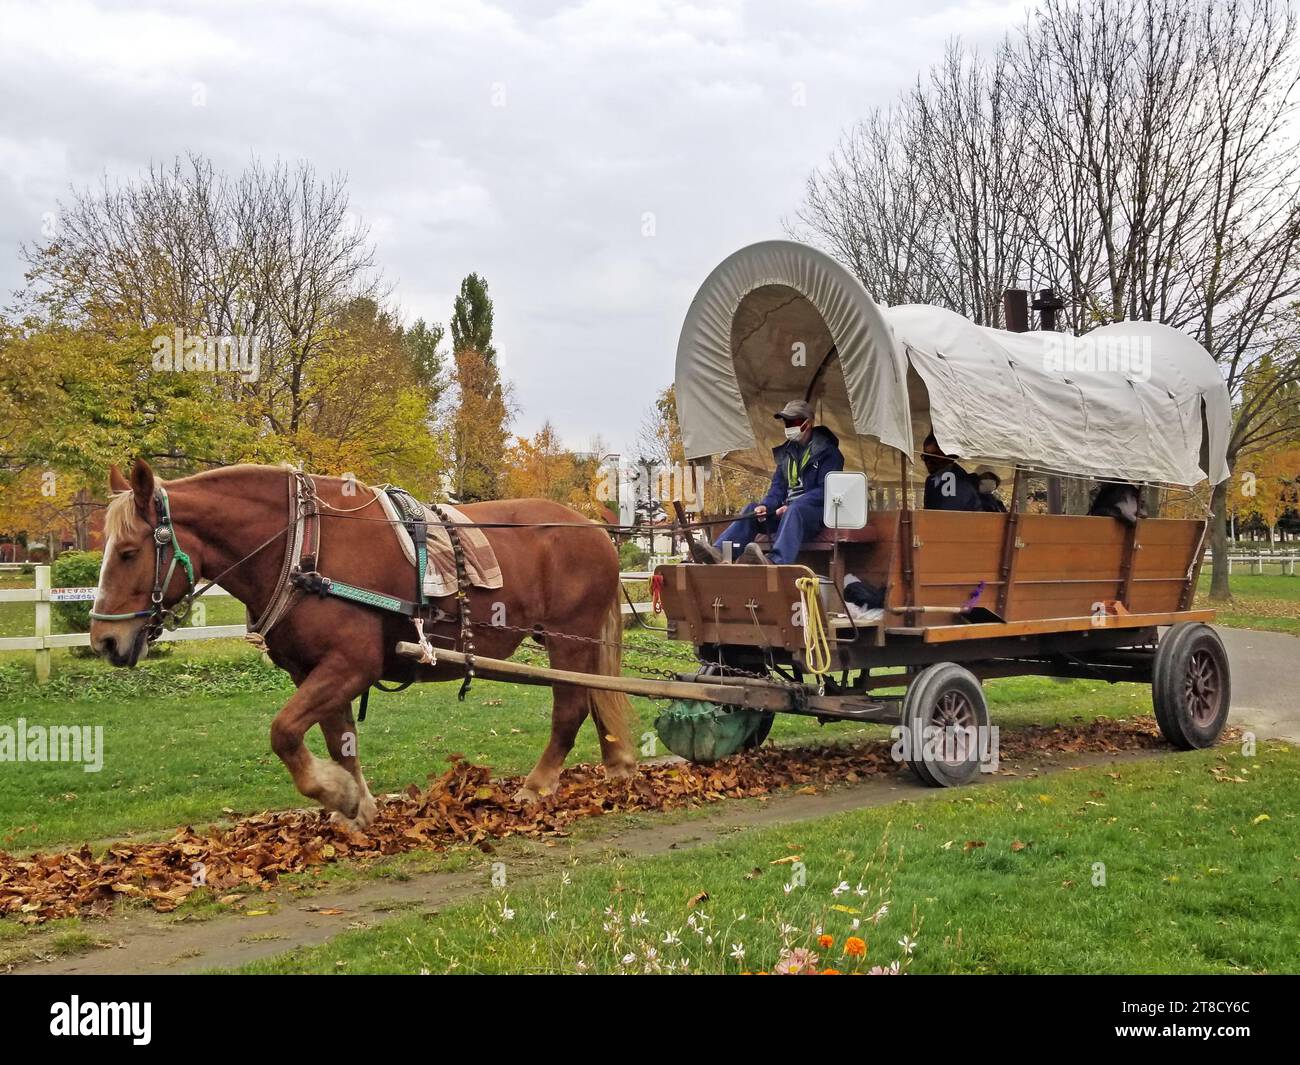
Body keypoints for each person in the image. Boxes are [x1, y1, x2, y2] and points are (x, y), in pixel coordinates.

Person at [690, 399, 844, 565]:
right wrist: (766, 506)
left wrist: (793, 506)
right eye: (787, 422)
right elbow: (777, 490)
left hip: (813, 516)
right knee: (752, 509)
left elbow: (826, 491)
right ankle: (719, 553)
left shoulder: (829, 453)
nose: (789, 426)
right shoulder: (786, 454)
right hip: (787, 513)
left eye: (795, 421)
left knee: (795, 510)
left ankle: (775, 561)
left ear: (809, 423)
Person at [921, 432, 984, 511]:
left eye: (935, 457)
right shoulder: (931, 480)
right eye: (926, 457)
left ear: (949, 456)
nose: (929, 462)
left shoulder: (961, 480)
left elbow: (951, 514)